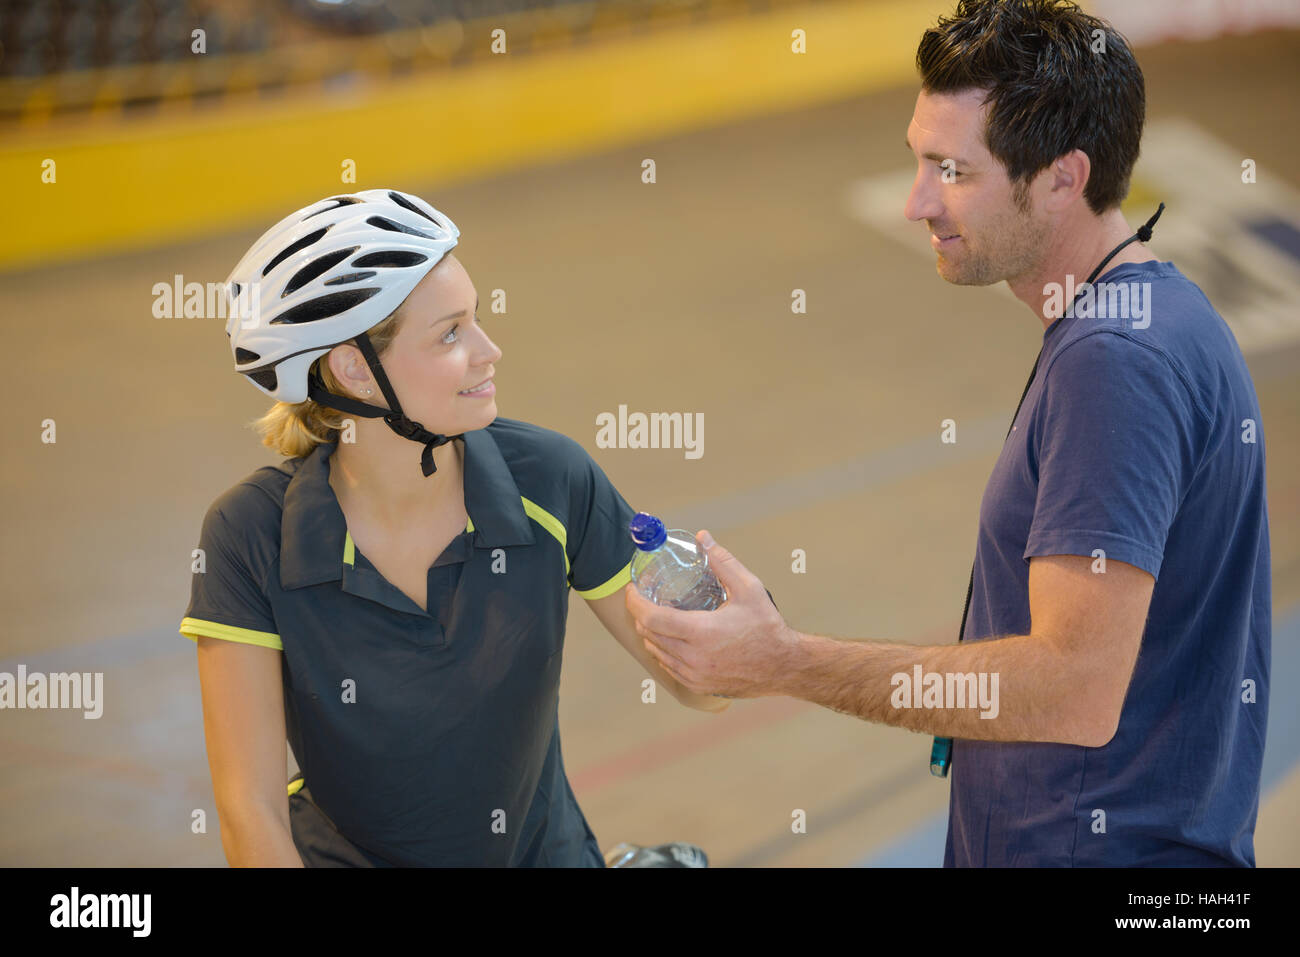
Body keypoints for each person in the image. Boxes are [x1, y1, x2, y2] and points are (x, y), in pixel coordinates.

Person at [626, 0, 1270, 867]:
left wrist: (784, 661)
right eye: (918, 162)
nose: (917, 203)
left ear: (1062, 178)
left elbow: (1074, 690)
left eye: (953, 171)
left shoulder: (1115, 363)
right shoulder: (1161, 311)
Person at [179, 188, 727, 867]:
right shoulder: (249, 535)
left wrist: (737, 643)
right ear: (355, 369)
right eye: (450, 333)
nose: (490, 350)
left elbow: (696, 685)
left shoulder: (549, 479)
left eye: (477, 320)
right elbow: (249, 811)